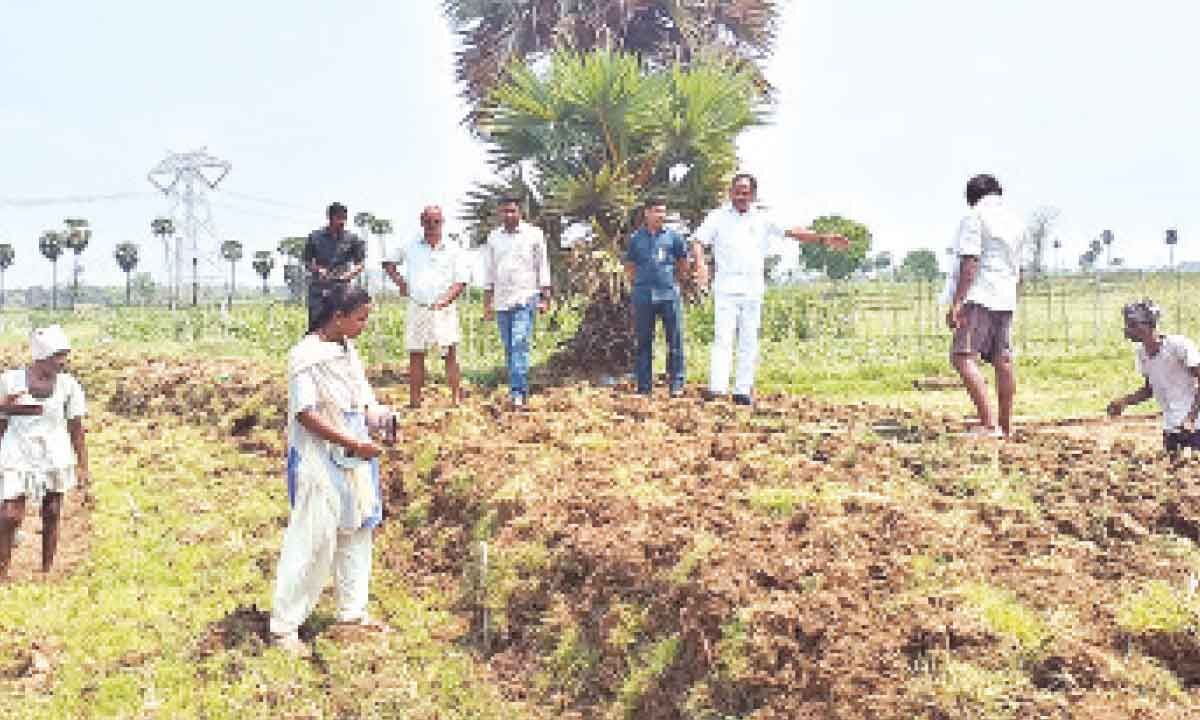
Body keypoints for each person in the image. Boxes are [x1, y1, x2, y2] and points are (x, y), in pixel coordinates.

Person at [269, 284, 394, 655]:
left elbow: (361, 397)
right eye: (360, 318)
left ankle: (351, 614)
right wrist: (352, 442)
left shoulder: (347, 350)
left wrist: (380, 419)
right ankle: (284, 626)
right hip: (318, 460)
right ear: (337, 317)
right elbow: (306, 414)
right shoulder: (304, 357)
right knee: (312, 539)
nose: (364, 325)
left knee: (357, 530)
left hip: (353, 459)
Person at [694, 173, 847, 406]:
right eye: (737, 192)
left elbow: (792, 232)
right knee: (722, 338)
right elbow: (698, 241)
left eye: (746, 193)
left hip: (753, 287)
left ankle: (742, 391)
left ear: (753, 195)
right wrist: (701, 265)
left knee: (748, 339)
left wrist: (822, 238)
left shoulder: (763, 218)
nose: (741, 197)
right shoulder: (717, 217)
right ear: (730, 193)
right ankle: (717, 388)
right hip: (726, 286)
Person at [0, 325, 90, 580]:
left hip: (54, 451)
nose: (61, 362)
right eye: (56, 356)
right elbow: (1, 419)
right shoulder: (10, 381)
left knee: (52, 511)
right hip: (17, 449)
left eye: (63, 355)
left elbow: (76, 427)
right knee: (9, 515)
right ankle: (2, 572)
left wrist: (82, 465)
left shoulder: (68, 386)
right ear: (40, 356)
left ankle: (46, 571)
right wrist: (5, 406)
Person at [944, 173, 1026, 438]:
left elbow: (970, 262)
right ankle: (1005, 425)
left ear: (972, 197)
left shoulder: (974, 217)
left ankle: (989, 424)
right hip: (1006, 295)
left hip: (980, 294)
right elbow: (1018, 266)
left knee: (962, 356)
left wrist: (958, 302)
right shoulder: (1016, 221)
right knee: (1002, 359)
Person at [383, 206, 468, 408]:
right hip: (418, 306)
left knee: (449, 354)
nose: (432, 226)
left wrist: (445, 300)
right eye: (428, 222)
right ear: (421, 223)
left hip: (444, 308)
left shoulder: (453, 248)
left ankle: (455, 399)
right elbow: (388, 263)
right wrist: (401, 283)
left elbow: (461, 281)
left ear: (442, 222)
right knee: (416, 353)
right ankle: (414, 401)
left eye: (436, 222)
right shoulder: (410, 245)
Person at [623, 197, 707, 396]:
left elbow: (683, 263)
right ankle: (644, 386)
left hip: (669, 294)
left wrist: (673, 282)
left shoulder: (673, 237)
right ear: (646, 213)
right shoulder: (636, 238)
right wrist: (641, 283)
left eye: (663, 211)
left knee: (675, 340)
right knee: (643, 341)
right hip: (643, 295)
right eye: (657, 211)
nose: (661, 215)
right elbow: (630, 267)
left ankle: (676, 384)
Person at [482, 197, 552, 408]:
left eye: (512, 211)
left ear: (520, 212)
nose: (508, 215)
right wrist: (487, 303)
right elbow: (489, 271)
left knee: (519, 343)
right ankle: (516, 384)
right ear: (499, 214)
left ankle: (518, 393)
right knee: (509, 347)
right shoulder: (494, 238)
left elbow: (542, 266)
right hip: (502, 300)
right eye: (504, 212)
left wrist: (545, 297)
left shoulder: (534, 234)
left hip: (526, 296)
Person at [1107, 300, 1200, 454]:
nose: (1127, 329)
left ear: (1148, 324)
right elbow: (1150, 389)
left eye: (1132, 324)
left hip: (1196, 426)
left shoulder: (1179, 346)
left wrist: (1191, 418)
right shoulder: (1141, 353)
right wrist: (1124, 402)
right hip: (1172, 427)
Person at [303, 202, 367, 333]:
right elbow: (307, 261)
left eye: (344, 218)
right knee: (316, 325)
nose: (342, 222)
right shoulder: (314, 237)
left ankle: (340, 352)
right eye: (339, 218)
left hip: (341, 290)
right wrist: (318, 270)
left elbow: (360, 264)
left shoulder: (353, 239)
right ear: (330, 218)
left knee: (341, 324)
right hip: (319, 289)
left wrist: (348, 275)